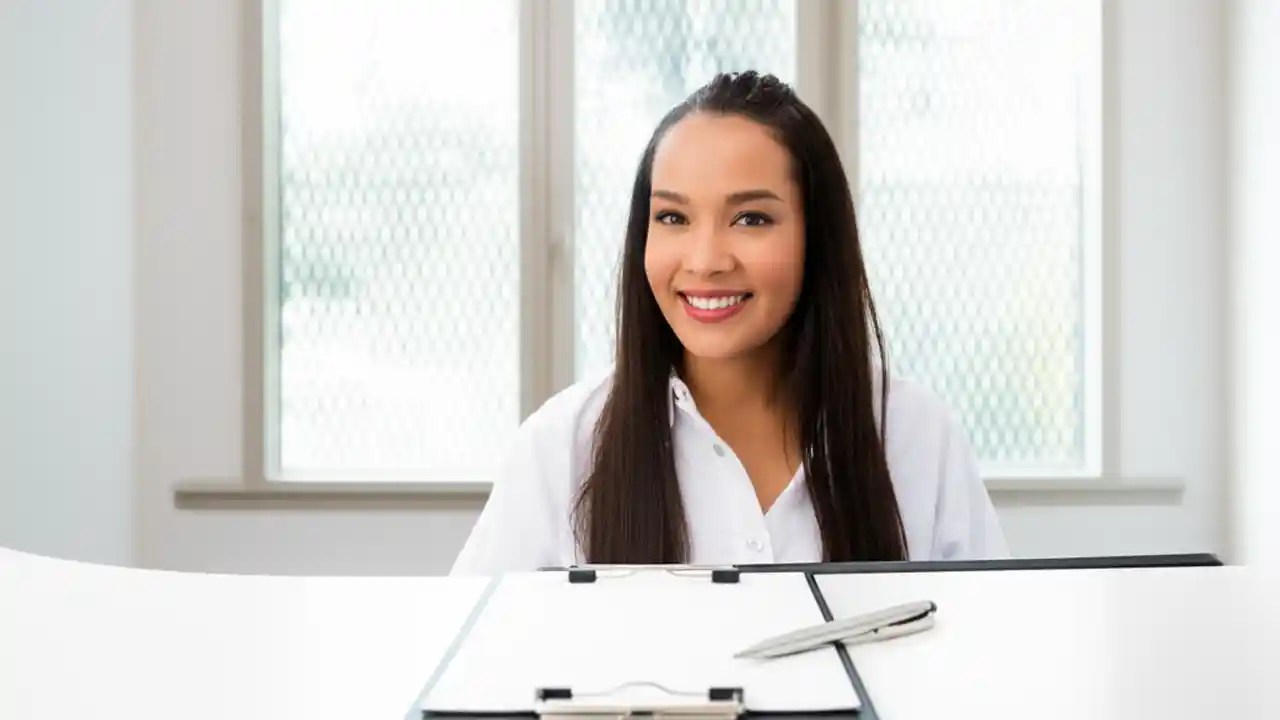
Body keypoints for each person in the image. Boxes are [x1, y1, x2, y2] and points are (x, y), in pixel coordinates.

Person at [451, 71, 1007, 574]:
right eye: (673, 217)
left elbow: (983, 656)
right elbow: (470, 665)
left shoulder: (916, 438)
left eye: (750, 218)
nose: (705, 259)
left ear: (818, 236)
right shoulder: (562, 448)